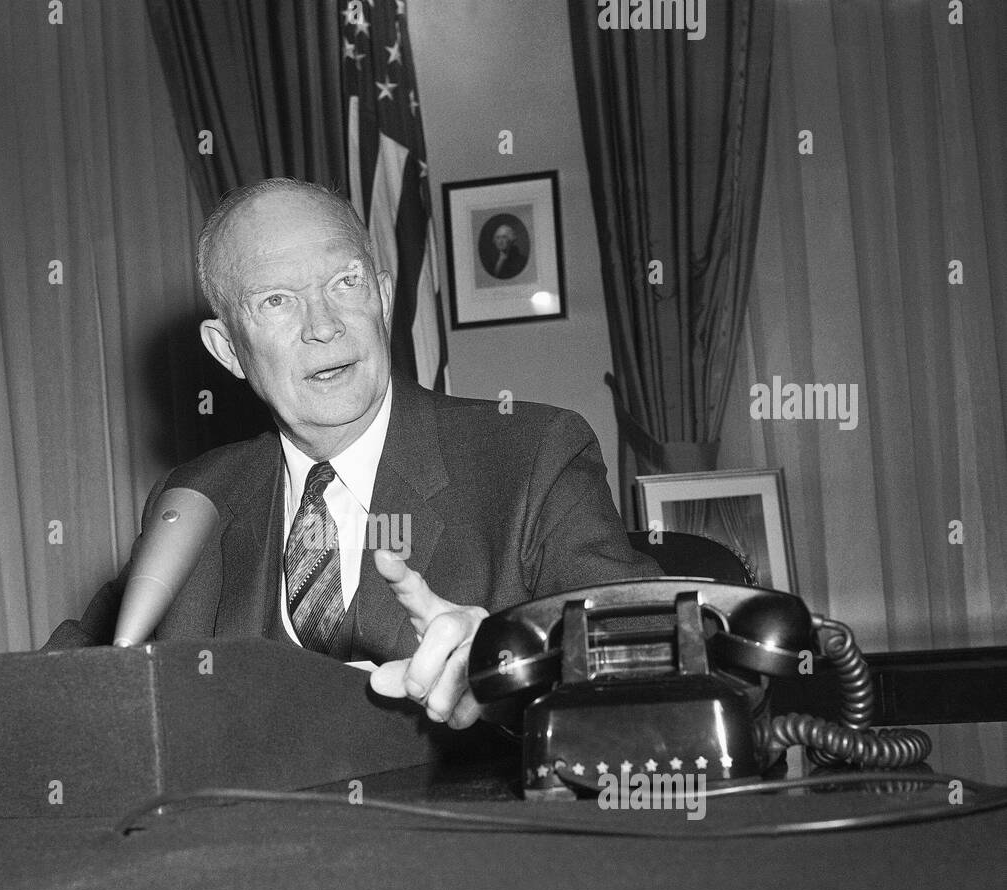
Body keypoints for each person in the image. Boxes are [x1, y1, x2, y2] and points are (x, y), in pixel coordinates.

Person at [44, 178, 657, 730]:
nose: (324, 326)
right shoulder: (198, 497)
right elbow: (56, 689)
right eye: (276, 301)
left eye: (346, 283)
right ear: (227, 349)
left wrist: (507, 664)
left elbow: (647, 658)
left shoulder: (530, 455)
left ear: (384, 299)